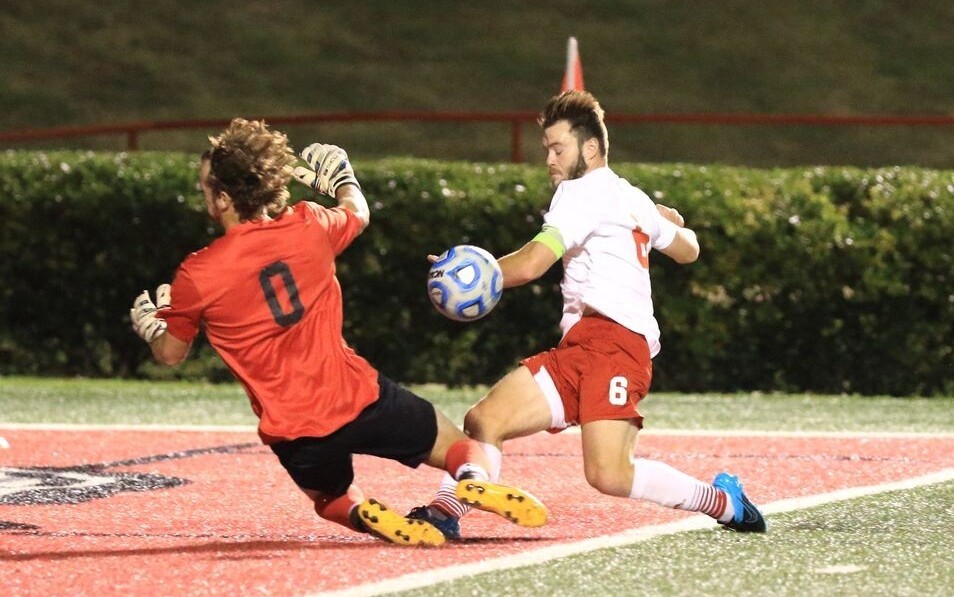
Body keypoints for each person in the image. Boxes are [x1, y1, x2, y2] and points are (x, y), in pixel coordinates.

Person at [129, 118, 547, 547]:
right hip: (357, 397)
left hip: (292, 429)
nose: (202, 196)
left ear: (222, 198)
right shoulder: (309, 224)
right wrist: (344, 179)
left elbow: (170, 354)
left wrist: (154, 327)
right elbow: (358, 213)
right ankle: (473, 479)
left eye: (205, 188)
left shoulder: (197, 274)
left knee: (328, 497)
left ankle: (363, 512)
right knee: (460, 447)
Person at [410, 91, 766, 538]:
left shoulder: (579, 193)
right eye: (546, 150)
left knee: (609, 475)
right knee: (485, 419)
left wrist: (468, 275)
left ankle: (722, 501)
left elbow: (531, 264)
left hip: (616, 347)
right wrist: (668, 221)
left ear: (590, 148)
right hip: (581, 346)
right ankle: (447, 511)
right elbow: (690, 250)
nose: (549, 160)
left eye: (558, 148)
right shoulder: (630, 197)